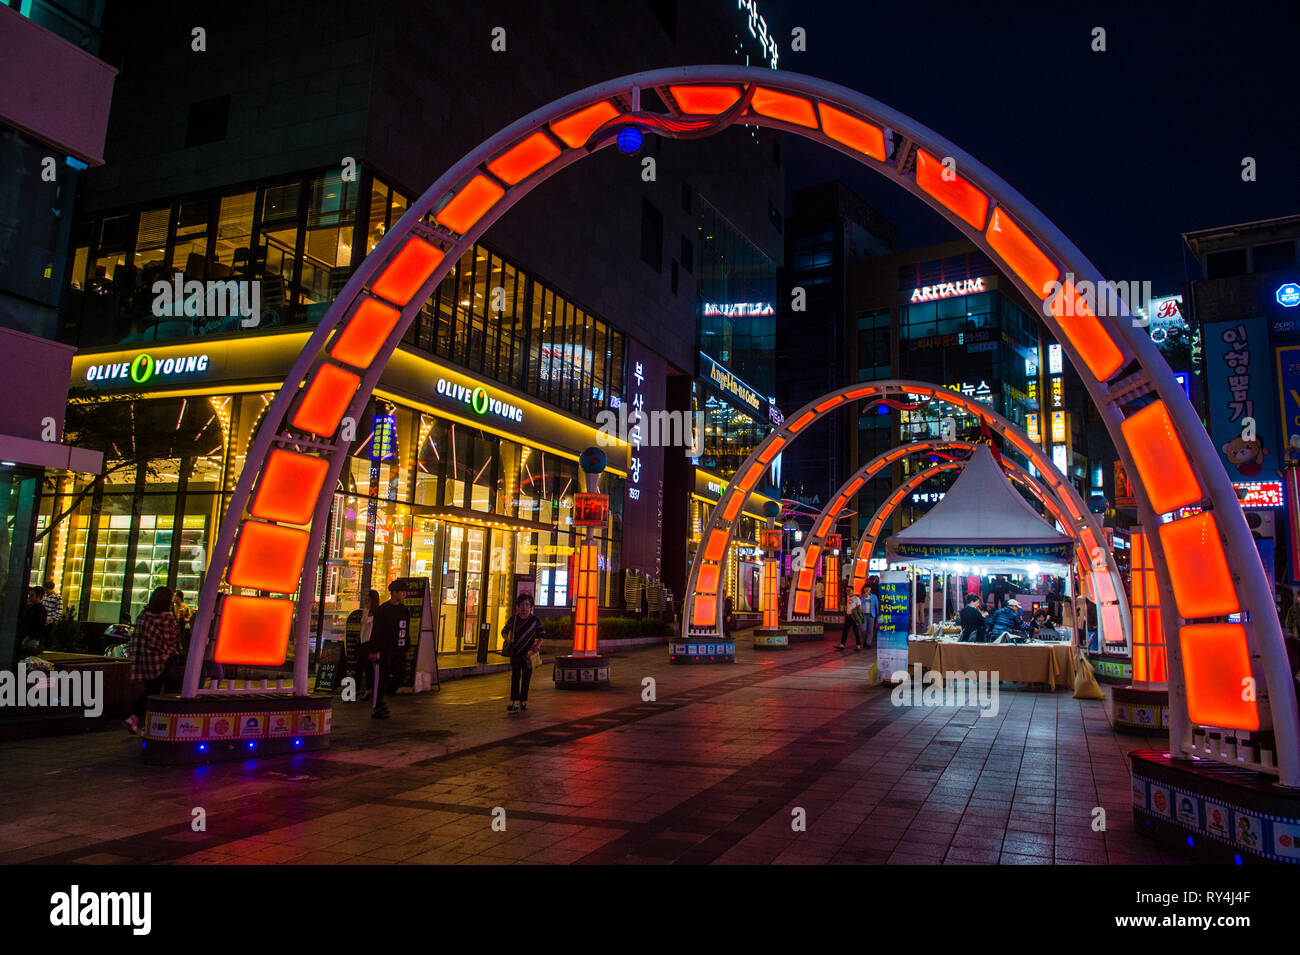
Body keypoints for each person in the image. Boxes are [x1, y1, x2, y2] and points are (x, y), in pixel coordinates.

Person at [124, 587, 181, 734]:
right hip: (161, 661)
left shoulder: (143, 615)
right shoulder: (167, 618)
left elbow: (137, 638)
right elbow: (171, 640)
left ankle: (136, 720)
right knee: (156, 694)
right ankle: (145, 724)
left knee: (150, 690)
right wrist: (174, 650)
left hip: (144, 661)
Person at [368, 582, 410, 719]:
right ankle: (377, 706)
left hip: (399, 648)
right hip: (384, 648)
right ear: (394, 592)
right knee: (382, 677)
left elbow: (406, 630)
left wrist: (406, 648)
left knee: (401, 674)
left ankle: (384, 698)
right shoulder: (383, 609)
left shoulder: (404, 610)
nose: (404, 594)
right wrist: (373, 650)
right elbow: (376, 631)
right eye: (401, 591)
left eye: (405, 592)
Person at [500, 593, 544, 712]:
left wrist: (537, 646)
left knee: (526, 678)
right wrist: (508, 640)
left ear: (531, 607)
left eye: (527, 605)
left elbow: (542, 634)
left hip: (528, 655)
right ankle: (514, 702)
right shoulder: (514, 619)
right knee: (515, 677)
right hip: (515, 653)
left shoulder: (535, 620)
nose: (524, 607)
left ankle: (523, 701)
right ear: (518, 606)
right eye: (522, 605)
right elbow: (504, 631)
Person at [354, 589, 381, 701]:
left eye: (367, 596)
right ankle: (362, 690)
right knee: (362, 666)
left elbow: (365, 621)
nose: (365, 598)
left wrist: (366, 608)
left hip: (369, 642)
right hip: (363, 641)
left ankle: (368, 690)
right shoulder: (369, 611)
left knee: (366, 667)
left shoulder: (376, 612)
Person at [17, 587, 47, 661]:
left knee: (26, 658)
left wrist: (30, 636)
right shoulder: (30, 607)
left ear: (39, 596)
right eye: (29, 595)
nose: (29, 597)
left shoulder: (40, 610)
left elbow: (39, 626)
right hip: (27, 636)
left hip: (31, 638)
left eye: (32, 595)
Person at [862, 583, 880, 648]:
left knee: (870, 630)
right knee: (863, 629)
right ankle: (865, 640)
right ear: (864, 589)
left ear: (870, 589)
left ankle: (868, 643)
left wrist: (878, 616)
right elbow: (859, 605)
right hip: (863, 615)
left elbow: (877, 606)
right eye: (866, 588)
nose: (867, 589)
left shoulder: (874, 596)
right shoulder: (861, 597)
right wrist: (864, 598)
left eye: (868, 588)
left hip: (871, 615)